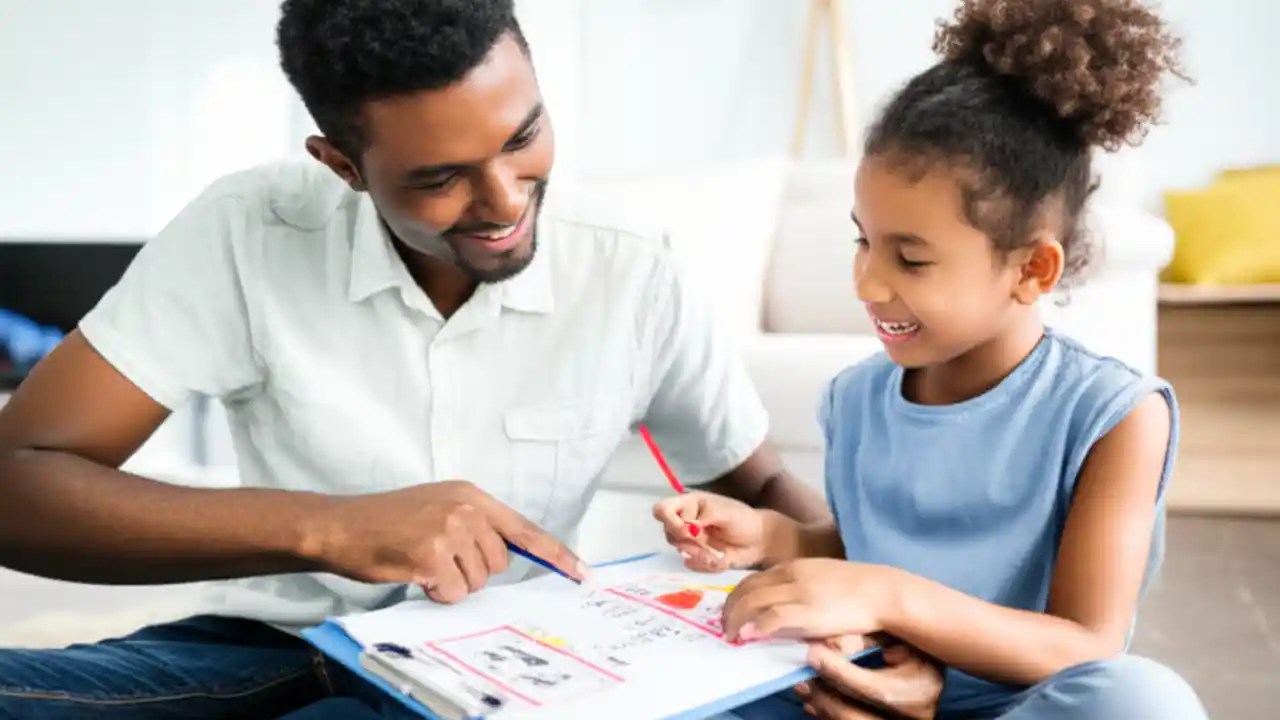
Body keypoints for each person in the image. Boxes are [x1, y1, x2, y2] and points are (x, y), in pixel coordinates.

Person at [0, 1, 858, 718]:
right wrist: (331, 530)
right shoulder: (248, 231)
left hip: (518, 668)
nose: (506, 201)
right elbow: (18, 483)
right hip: (265, 647)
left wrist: (846, 601)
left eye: (523, 138)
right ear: (342, 165)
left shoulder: (627, 265)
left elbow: (771, 499)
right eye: (442, 178)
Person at [655, 0, 1211, 718]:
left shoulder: (1115, 417)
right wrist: (774, 536)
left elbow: (1086, 644)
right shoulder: (855, 399)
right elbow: (865, 546)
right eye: (864, 241)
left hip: (1020, 707)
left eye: (910, 259)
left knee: (1143, 702)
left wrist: (890, 593)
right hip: (861, 686)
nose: (867, 282)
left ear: (1033, 272)